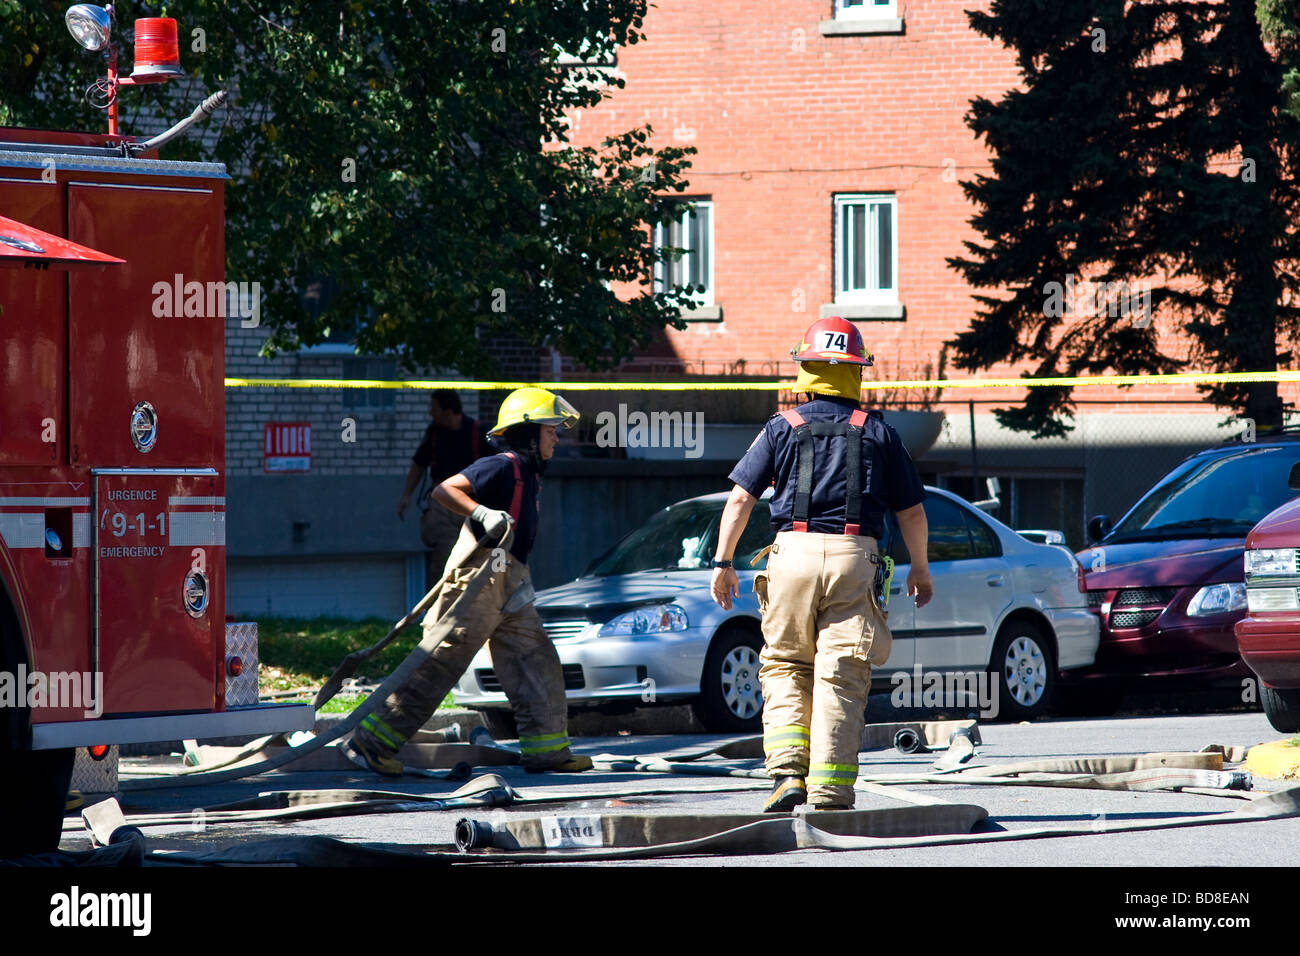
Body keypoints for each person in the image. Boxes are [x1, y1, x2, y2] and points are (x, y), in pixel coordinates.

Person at [710, 317, 933, 812]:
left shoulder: (781, 429)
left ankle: (788, 774)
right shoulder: (880, 433)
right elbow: (912, 511)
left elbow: (740, 500)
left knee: (787, 663)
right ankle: (830, 786)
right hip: (856, 557)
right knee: (841, 671)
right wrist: (920, 568)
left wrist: (723, 561)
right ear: (858, 372)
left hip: (791, 554)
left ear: (805, 367)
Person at [348, 387, 593, 776]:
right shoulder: (503, 464)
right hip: (478, 583)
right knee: (439, 663)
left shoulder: (529, 473)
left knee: (536, 659)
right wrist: (482, 513)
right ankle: (372, 744)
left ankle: (547, 751)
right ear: (529, 432)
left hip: (510, 581)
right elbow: (445, 489)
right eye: (551, 430)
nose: (557, 437)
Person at [398, 389, 490, 587]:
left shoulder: (478, 431)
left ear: (448, 411)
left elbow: (499, 466)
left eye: (434, 409)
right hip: (442, 504)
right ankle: (439, 607)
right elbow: (419, 464)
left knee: (476, 559)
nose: (430, 413)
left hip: (472, 504)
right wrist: (406, 495)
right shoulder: (434, 433)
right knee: (444, 557)